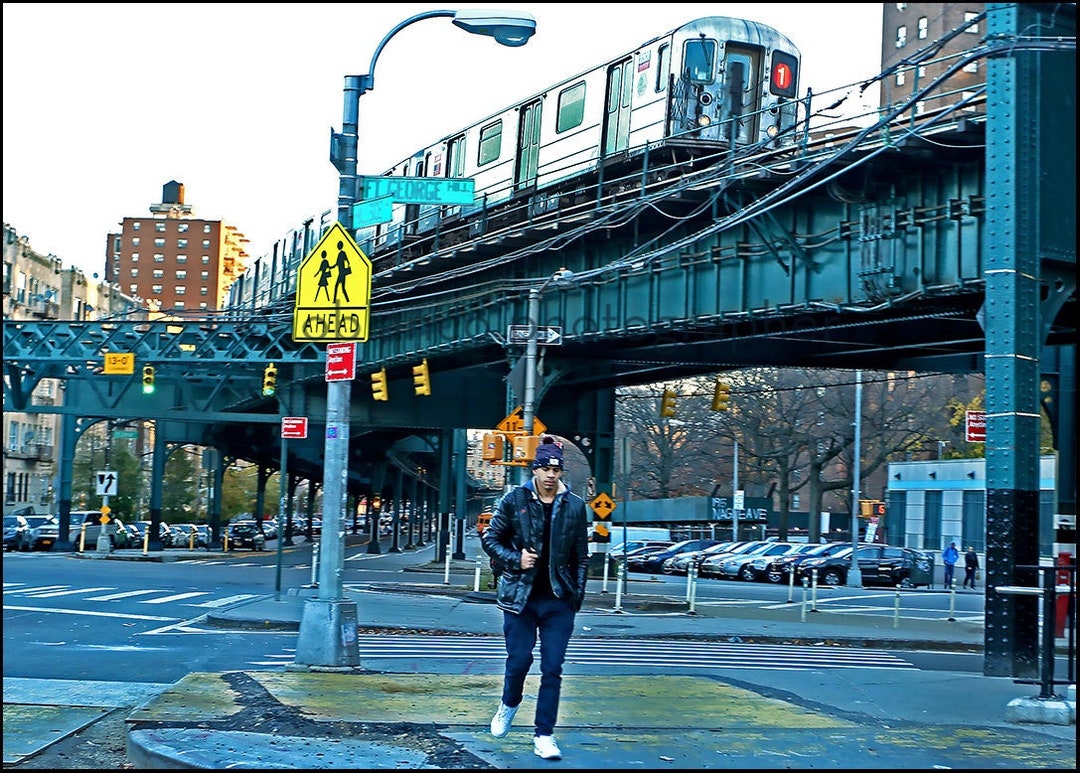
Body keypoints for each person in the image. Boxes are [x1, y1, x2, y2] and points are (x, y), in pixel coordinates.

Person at [481, 436, 589, 761]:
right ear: (535, 469)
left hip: (558, 601)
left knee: (552, 668)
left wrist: (576, 598)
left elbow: (581, 557)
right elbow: (491, 539)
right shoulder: (515, 500)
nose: (550, 474)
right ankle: (509, 704)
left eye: (556, 469)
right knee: (518, 662)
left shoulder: (575, 506)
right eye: (545, 467)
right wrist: (516, 560)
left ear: (560, 472)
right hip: (520, 599)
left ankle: (544, 734)